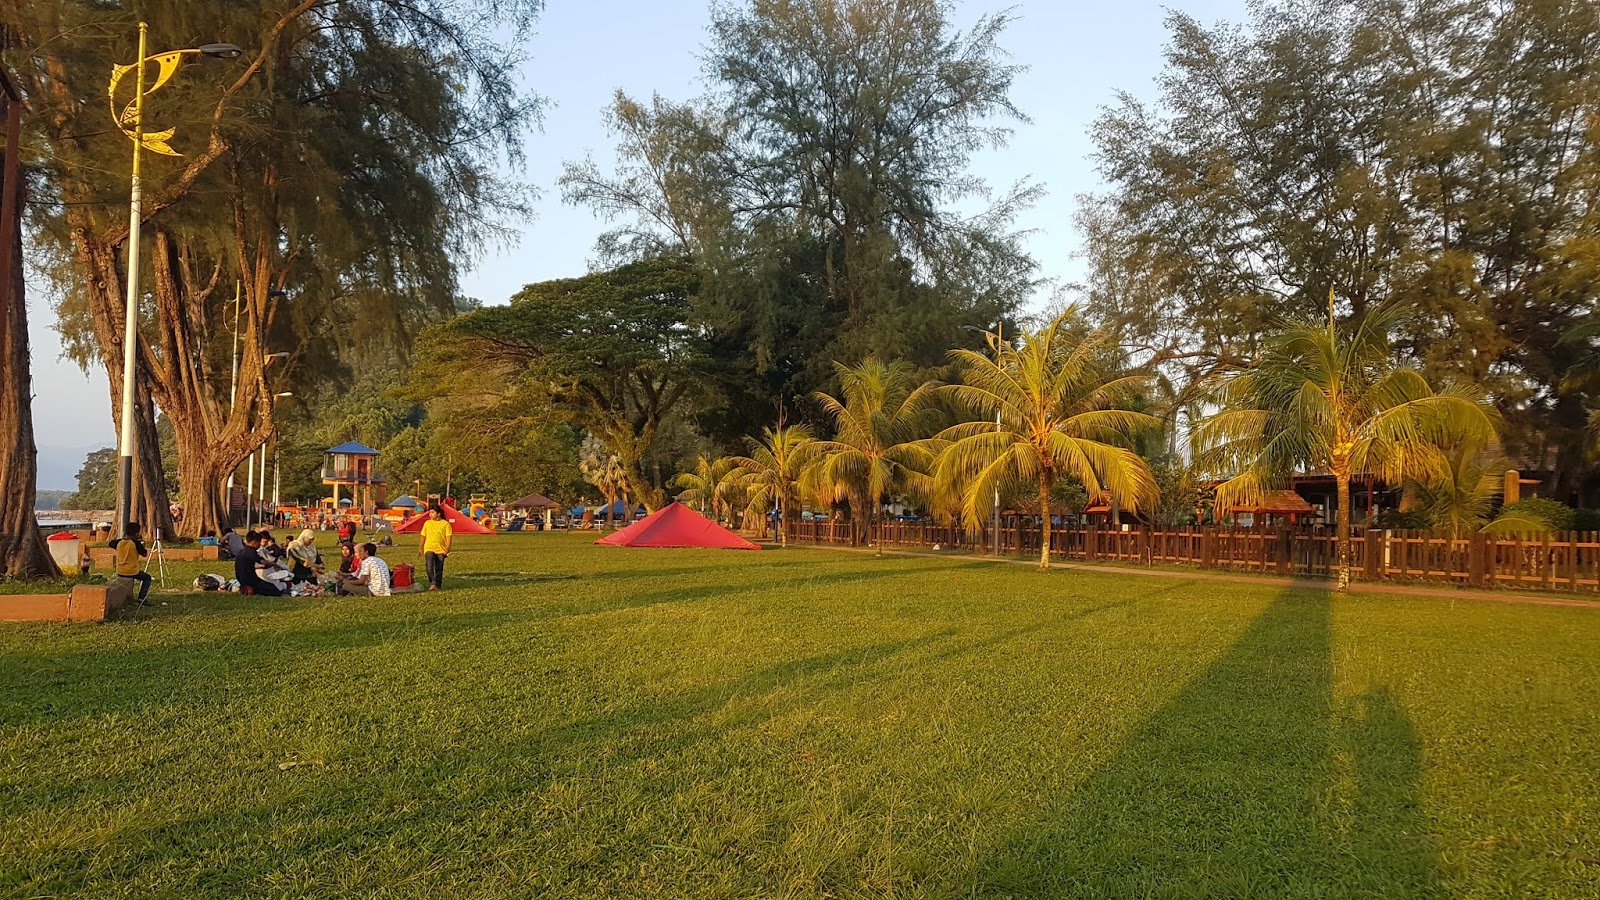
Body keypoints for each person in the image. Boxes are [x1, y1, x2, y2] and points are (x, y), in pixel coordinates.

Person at [110, 521, 152, 605]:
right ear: (136, 533)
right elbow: (144, 554)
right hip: (132, 571)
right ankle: (141, 598)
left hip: (120, 570)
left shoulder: (119, 542)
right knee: (147, 578)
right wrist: (141, 545)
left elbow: (110, 543)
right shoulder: (135, 543)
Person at [232, 530, 283, 596]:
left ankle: (248, 589)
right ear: (254, 542)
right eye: (259, 542)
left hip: (241, 579)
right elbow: (263, 562)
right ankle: (251, 590)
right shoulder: (251, 552)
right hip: (251, 580)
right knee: (274, 590)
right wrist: (275, 564)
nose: (260, 545)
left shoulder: (242, 551)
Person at [418, 503, 453, 591]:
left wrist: (447, 548)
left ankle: (438, 585)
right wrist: (420, 548)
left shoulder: (445, 524)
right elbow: (423, 536)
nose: (430, 514)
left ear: (438, 514)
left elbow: (448, 537)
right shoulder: (427, 523)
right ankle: (433, 582)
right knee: (429, 565)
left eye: (432, 512)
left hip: (441, 549)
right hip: (429, 547)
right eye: (430, 512)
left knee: (439, 568)